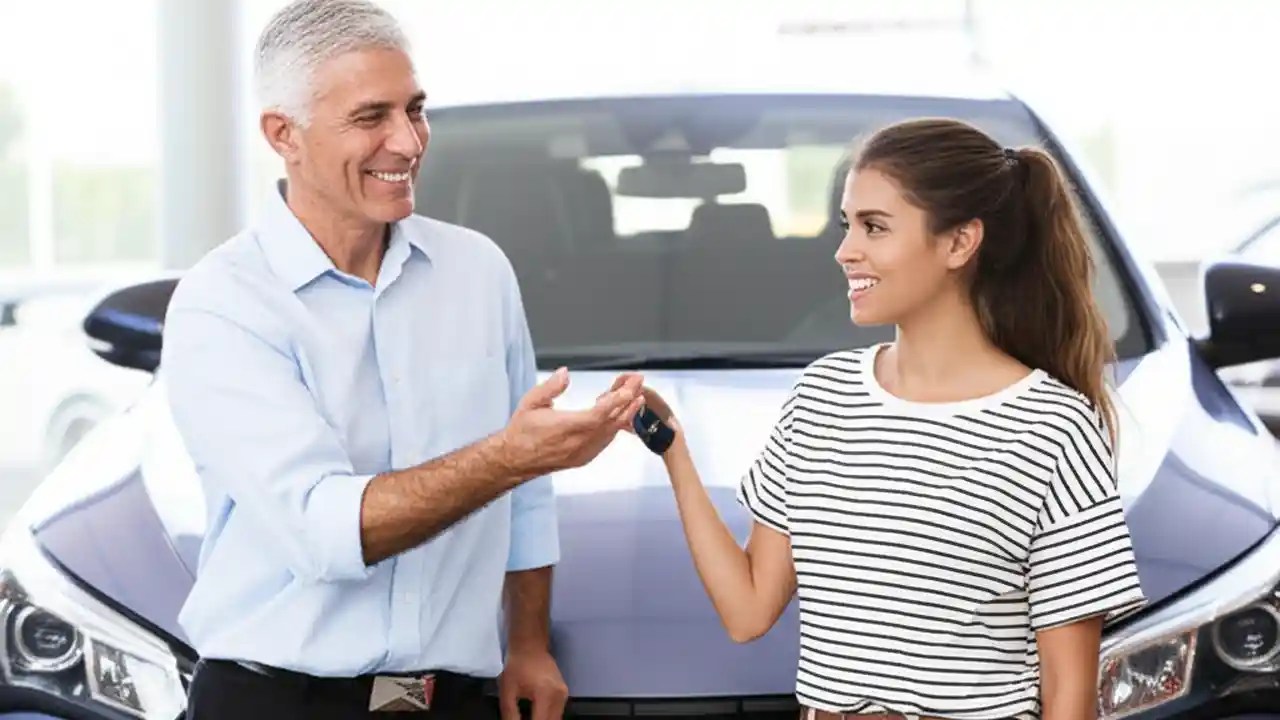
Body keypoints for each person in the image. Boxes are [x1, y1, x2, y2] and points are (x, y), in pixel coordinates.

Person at [160, 1, 643, 718]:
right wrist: (512, 456)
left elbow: (527, 497)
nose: (408, 141)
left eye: (416, 110)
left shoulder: (478, 271)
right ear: (282, 134)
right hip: (277, 701)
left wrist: (530, 645)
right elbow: (326, 530)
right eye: (370, 117)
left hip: (449, 703)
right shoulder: (224, 304)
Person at [627, 118, 1147, 720]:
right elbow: (746, 613)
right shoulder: (822, 398)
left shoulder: (1053, 427)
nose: (845, 251)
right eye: (847, 225)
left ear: (959, 243)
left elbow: (1069, 696)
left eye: (874, 227)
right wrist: (675, 453)